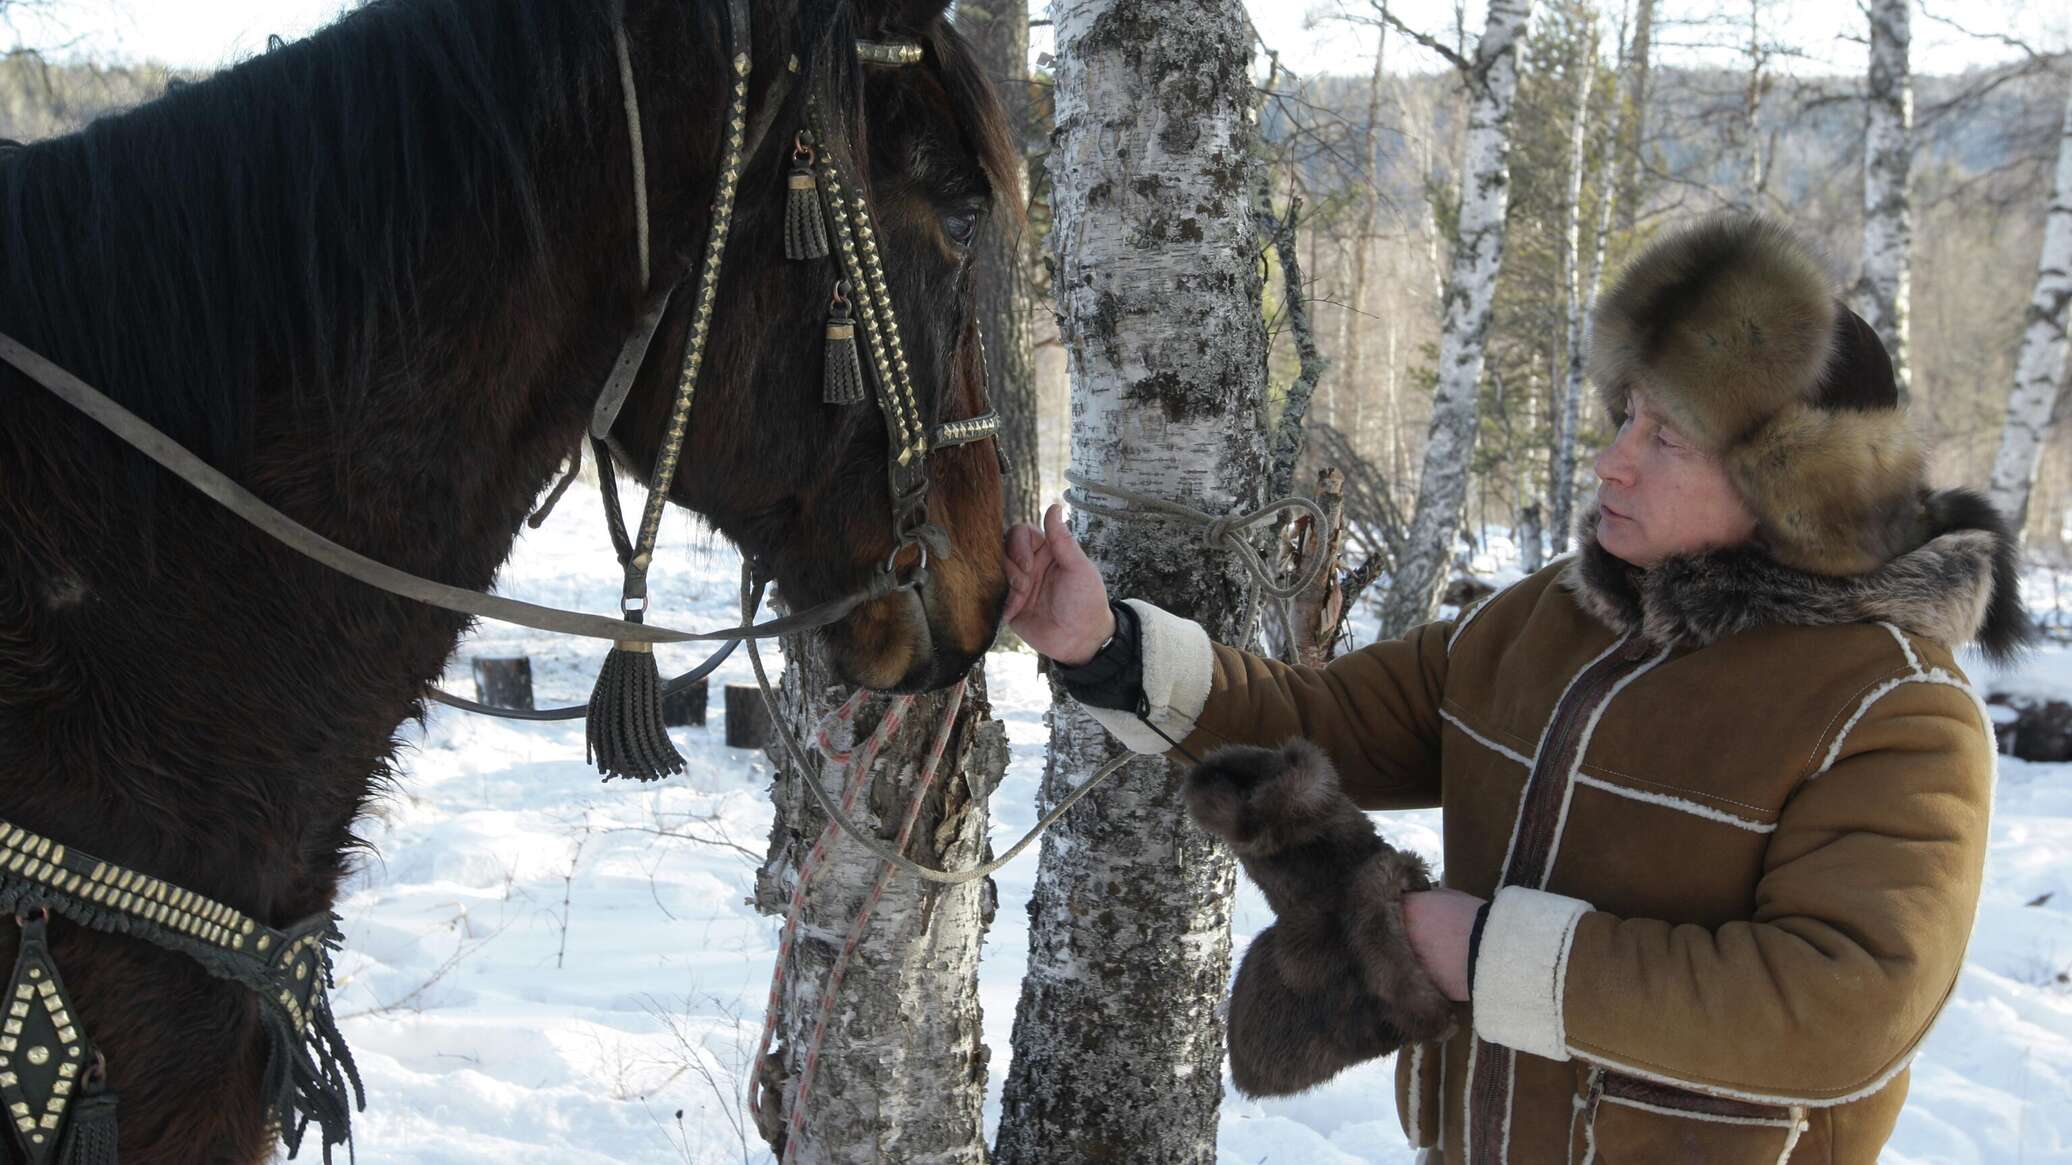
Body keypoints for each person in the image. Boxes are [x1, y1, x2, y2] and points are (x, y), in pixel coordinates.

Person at [1002, 213, 2029, 1164]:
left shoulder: (1895, 711)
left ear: (1793, 490)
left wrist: (1492, 955)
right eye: (1626, 416)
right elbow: (1327, 720)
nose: (1612, 463)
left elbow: (1843, 1008)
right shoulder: (1551, 618)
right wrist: (1103, 643)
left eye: (1666, 438)